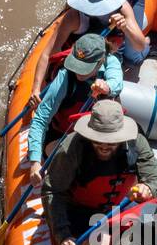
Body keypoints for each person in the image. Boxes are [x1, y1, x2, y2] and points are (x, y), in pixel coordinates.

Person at [42, 100, 157, 245]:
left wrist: (149, 187)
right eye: (98, 140)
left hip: (118, 212)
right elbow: (53, 191)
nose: (105, 146)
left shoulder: (137, 143)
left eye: (111, 141)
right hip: (78, 214)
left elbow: (155, 180)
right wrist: (62, 235)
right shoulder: (72, 148)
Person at [30, 0, 148, 98]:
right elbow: (49, 53)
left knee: (134, 60)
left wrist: (125, 27)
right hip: (85, 55)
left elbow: (139, 45)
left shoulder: (122, 8)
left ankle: (149, 42)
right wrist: (36, 88)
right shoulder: (74, 17)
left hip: (110, 51)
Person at [28, 34, 123, 185]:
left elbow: (116, 82)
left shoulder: (111, 61)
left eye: (84, 68)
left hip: (97, 134)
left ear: (100, 62)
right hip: (64, 136)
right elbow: (40, 120)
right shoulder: (65, 77)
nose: (78, 71)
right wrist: (34, 162)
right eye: (77, 65)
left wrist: (106, 86)